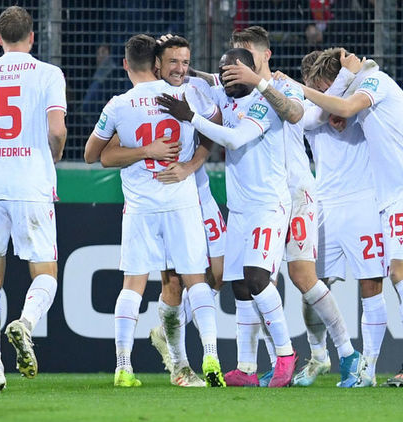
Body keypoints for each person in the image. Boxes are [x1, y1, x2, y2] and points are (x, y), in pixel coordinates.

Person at [222, 27, 365, 387]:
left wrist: (347, 75)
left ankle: (347, 352)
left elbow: (304, 114)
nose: (240, 62)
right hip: (261, 199)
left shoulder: (283, 87)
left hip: (297, 193)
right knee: (257, 282)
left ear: (265, 56)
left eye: (248, 54)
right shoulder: (236, 95)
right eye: (236, 54)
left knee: (303, 277)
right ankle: (275, 361)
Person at [83, 34, 226, 388]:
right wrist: (181, 159)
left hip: (141, 206)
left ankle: (123, 367)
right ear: (158, 64)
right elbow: (216, 123)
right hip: (181, 202)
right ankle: (212, 355)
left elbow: (94, 155)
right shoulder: (185, 95)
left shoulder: (118, 105)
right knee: (196, 278)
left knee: (132, 284)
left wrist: (144, 150)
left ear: (126, 64)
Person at [159, 48, 297, 388]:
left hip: (268, 206)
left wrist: (190, 117)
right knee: (238, 286)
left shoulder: (264, 103)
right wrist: (174, 67)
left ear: (250, 73)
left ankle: (286, 355)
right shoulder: (225, 91)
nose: (227, 81)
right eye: (224, 74)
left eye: (235, 74)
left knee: (256, 278)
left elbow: (234, 139)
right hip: (239, 209)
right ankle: (246, 368)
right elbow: (204, 79)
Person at [281, 47, 403, 387]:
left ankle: (368, 367)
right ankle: (319, 354)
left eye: (322, 85)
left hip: (365, 200)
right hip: (323, 205)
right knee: (310, 285)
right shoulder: (308, 108)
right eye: (312, 85)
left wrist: (341, 90)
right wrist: (326, 95)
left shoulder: (363, 100)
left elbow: (346, 107)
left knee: (373, 283)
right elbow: (315, 116)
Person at [0, 6, 67, 392]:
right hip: (31, 184)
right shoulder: (48, 74)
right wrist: (54, 153)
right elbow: (56, 128)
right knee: (44, 272)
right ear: (31, 37)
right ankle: (25, 324)